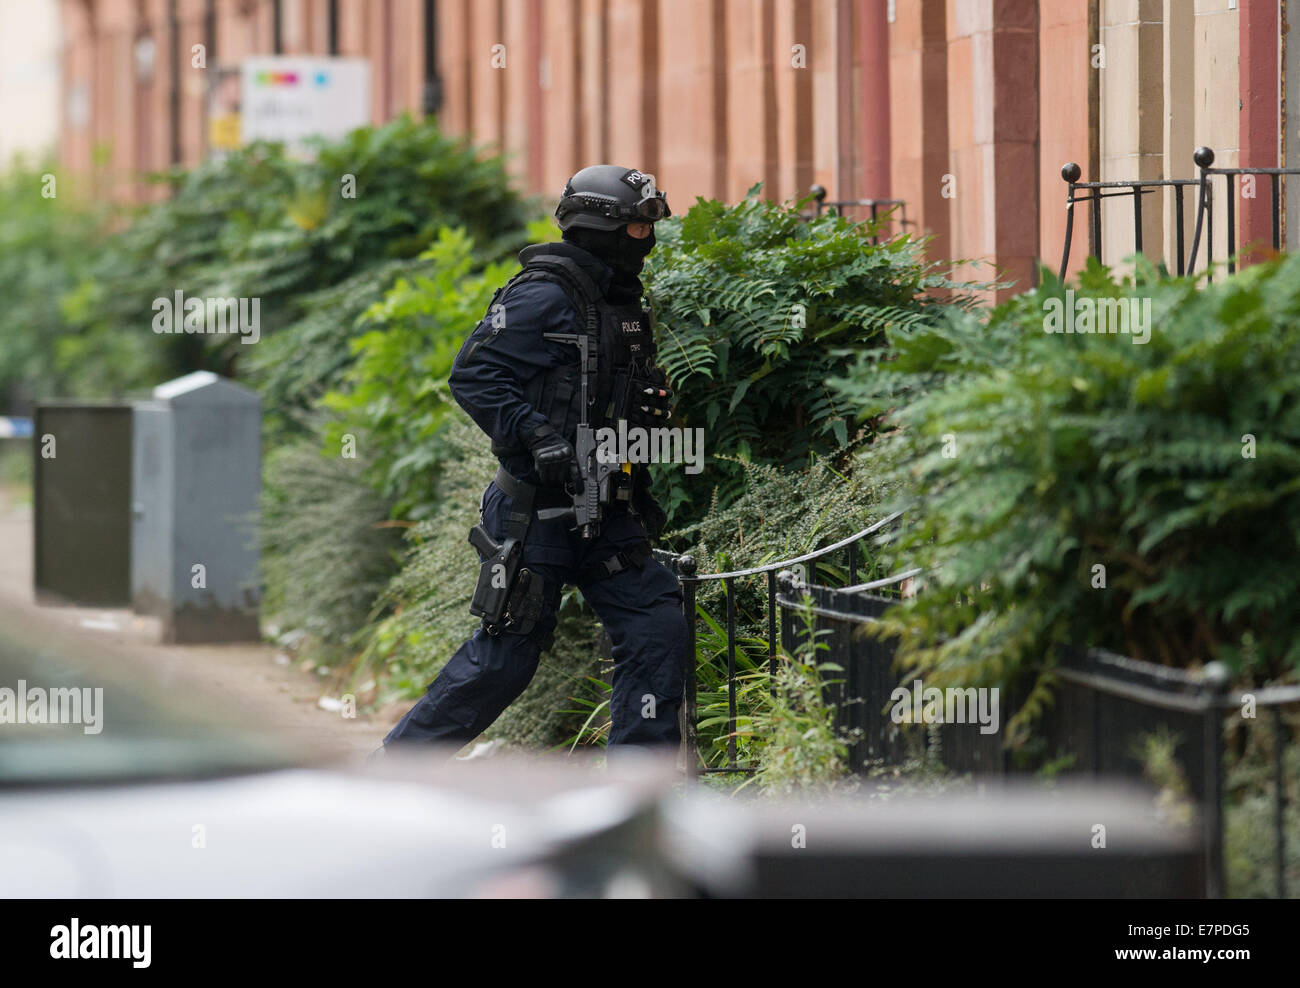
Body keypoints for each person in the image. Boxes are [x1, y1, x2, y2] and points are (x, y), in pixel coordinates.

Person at [381, 165, 688, 756]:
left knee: (656, 627)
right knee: (506, 658)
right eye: (635, 229)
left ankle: (634, 795)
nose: (646, 242)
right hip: (535, 514)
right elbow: (474, 374)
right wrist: (537, 435)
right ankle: (391, 777)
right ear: (600, 225)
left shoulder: (620, 301)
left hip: (604, 511)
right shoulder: (542, 295)